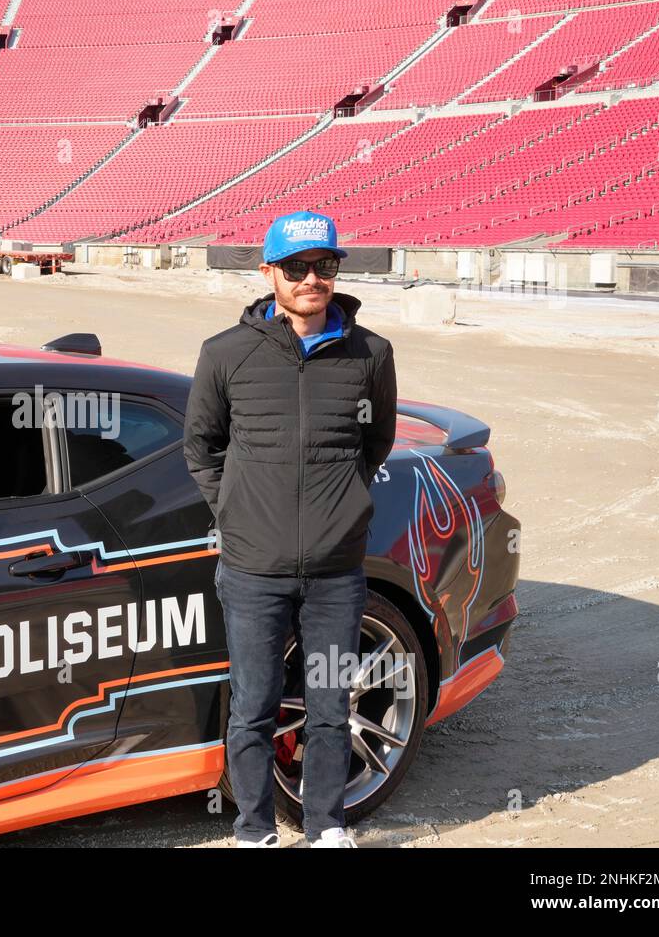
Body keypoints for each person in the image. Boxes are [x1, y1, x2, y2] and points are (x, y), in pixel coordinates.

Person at [183, 210, 397, 848]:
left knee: (331, 703)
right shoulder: (225, 353)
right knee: (252, 706)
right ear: (269, 272)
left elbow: (374, 442)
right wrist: (239, 512)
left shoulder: (372, 354)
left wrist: (341, 504)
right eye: (297, 267)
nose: (312, 278)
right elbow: (201, 447)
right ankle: (253, 831)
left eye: (324, 265)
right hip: (253, 570)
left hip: (336, 572)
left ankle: (327, 825)